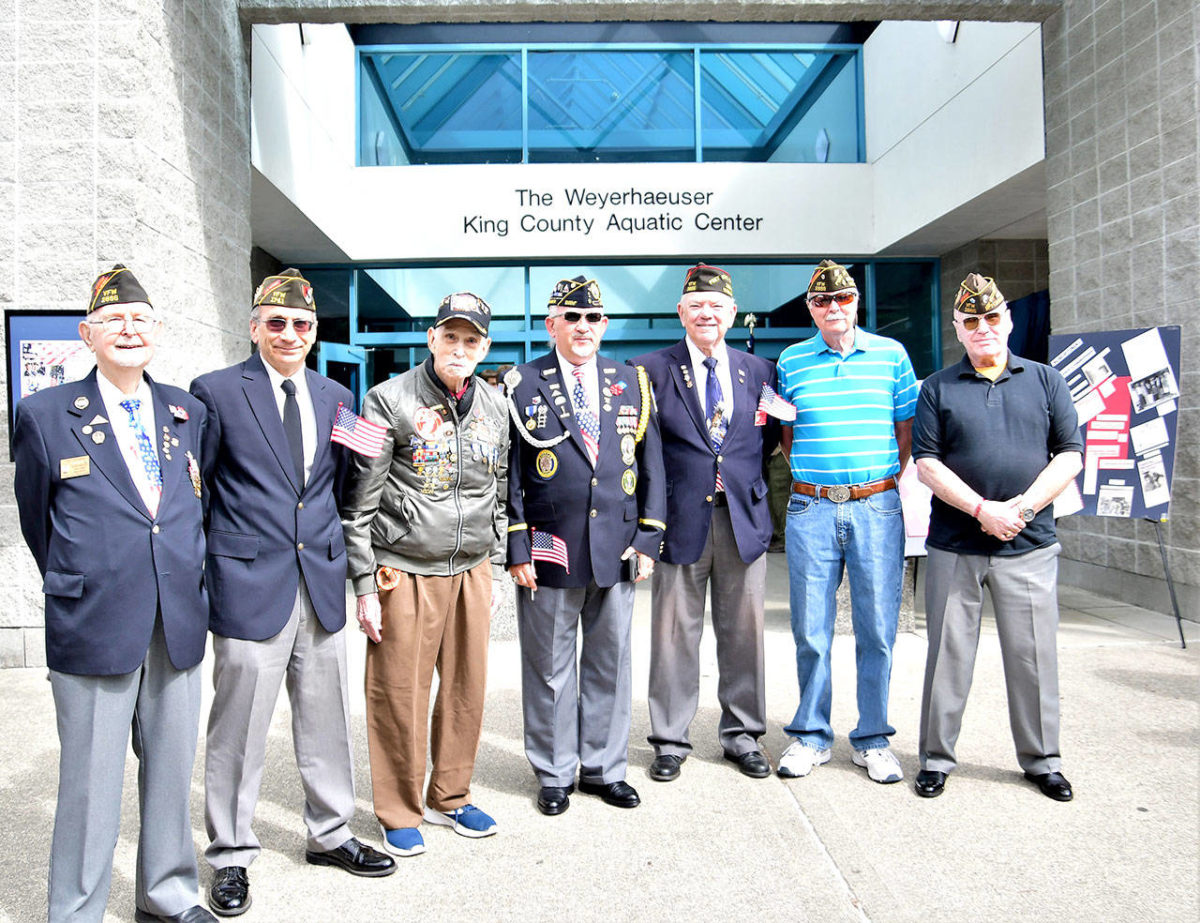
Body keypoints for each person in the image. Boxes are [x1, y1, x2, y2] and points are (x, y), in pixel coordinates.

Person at [12, 265, 216, 923]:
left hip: (176, 618)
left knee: (170, 772)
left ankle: (168, 894)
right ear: (87, 335)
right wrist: (90, 574)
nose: (129, 328)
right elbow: (37, 515)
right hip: (95, 616)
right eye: (113, 320)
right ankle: (76, 910)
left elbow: (189, 505)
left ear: (157, 332)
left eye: (141, 319)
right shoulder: (45, 414)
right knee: (90, 784)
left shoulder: (188, 411)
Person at [190, 269, 395, 916]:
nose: (289, 333)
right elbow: (201, 490)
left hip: (323, 582)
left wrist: (360, 573)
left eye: (301, 324)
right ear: (254, 327)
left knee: (327, 718)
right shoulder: (217, 391)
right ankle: (229, 853)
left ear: (314, 332)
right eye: (275, 322)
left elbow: (348, 489)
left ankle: (330, 832)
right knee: (239, 728)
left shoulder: (337, 394)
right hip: (250, 585)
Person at [341, 292, 509, 857]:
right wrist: (364, 584)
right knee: (398, 691)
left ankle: (451, 795)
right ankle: (397, 807)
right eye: (451, 336)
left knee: (466, 689)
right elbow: (357, 505)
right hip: (404, 569)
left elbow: (500, 489)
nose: (460, 348)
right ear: (431, 338)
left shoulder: (495, 405)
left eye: (472, 339)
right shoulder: (385, 400)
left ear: (484, 347)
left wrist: (496, 557)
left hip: (471, 569)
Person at [912, 273, 1083, 801]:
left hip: (1028, 547)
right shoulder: (938, 387)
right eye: (971, 322)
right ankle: (936, 758)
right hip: (955, 548)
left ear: (1007, 322)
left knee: (1033, 659)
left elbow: (1071, 455)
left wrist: (1023, 509)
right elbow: (927, 464)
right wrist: (982, 509)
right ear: (958, 331)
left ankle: (1042, 760)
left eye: (991, 318)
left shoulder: (1047, 381)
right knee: (947, 657)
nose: (982, 328)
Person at [506, 276, 665, 815]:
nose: (583, 327)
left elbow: (652, 467)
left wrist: (648, 535)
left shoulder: (631, 381)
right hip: (550, 547)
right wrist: (517, 544)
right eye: (571, 318)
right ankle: (554, 773)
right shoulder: (521, 382)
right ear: (551, 324)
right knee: (550, 666)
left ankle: (603, 768)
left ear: (605, 325)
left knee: (610, 662)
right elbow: (512, 472)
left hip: (617, 548)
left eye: (593, 318)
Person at [631, 263, 781, 783]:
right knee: (674, 635)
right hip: (677, 523)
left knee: (745, 635)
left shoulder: (759, 371)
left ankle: (742, 736)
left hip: (742, 521)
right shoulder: (648, 369)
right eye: (696, 306)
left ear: (732, 313)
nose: (707, 313)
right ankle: (670, 740)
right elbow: (637, 453)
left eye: (716, 306)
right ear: (680, 312)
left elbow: (765, 446)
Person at [775, 259, 917, 784]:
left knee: (877, 629)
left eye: (843, 299)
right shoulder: (790, 362)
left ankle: (873, 738)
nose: (833, 308)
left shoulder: (891, 356)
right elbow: (787, 438)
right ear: (810, 308)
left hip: (875, 507)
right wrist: (821, 481)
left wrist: (871, 484)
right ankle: (811, 736)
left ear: (856, 302)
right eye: (821, 301)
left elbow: (905, 432)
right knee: (810, 629)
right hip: (811, 507)